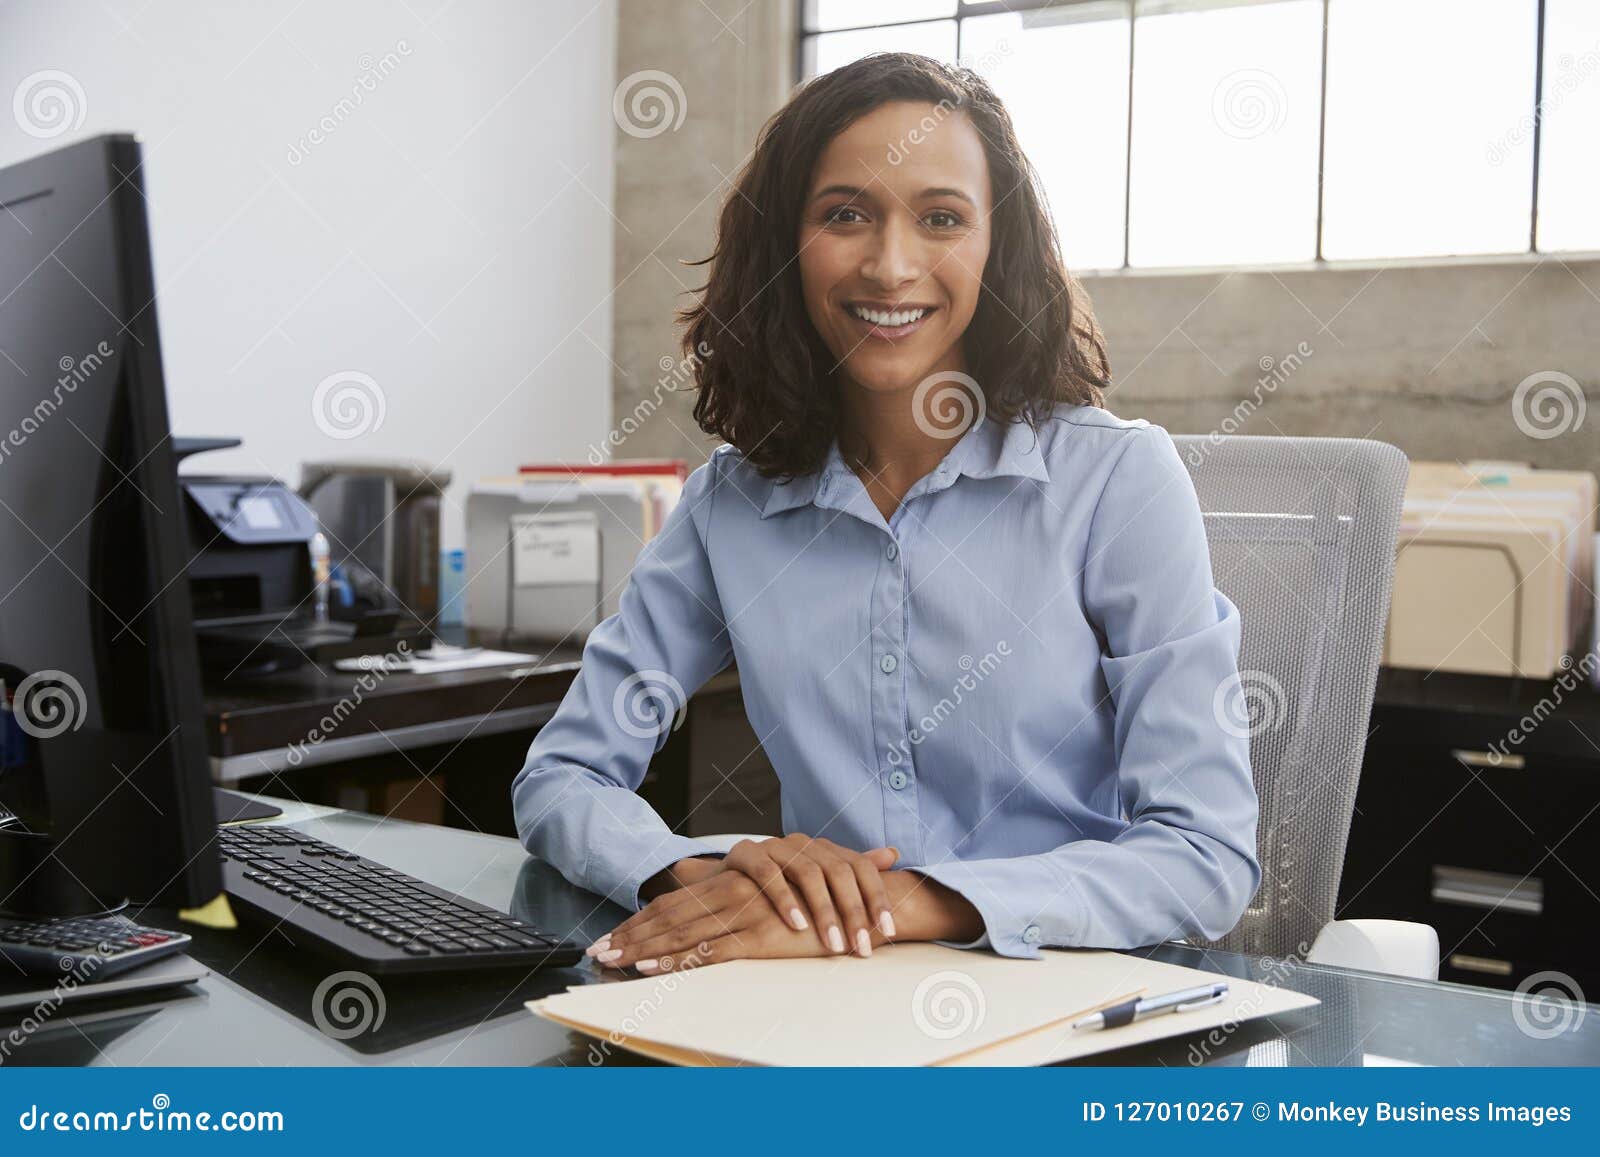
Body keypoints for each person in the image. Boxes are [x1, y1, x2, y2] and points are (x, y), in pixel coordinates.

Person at [511, 52, 1259, 972]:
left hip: (1060, 1007)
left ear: (998, 245)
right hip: (826, 1007)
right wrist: (704, 876)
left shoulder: (1116, 483)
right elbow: (563, 776)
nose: (892, 264)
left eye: (941, 218)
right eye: (845, 215)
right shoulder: (731, 505)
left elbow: (1205, 856)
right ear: (787, 245)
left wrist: (912, 902)